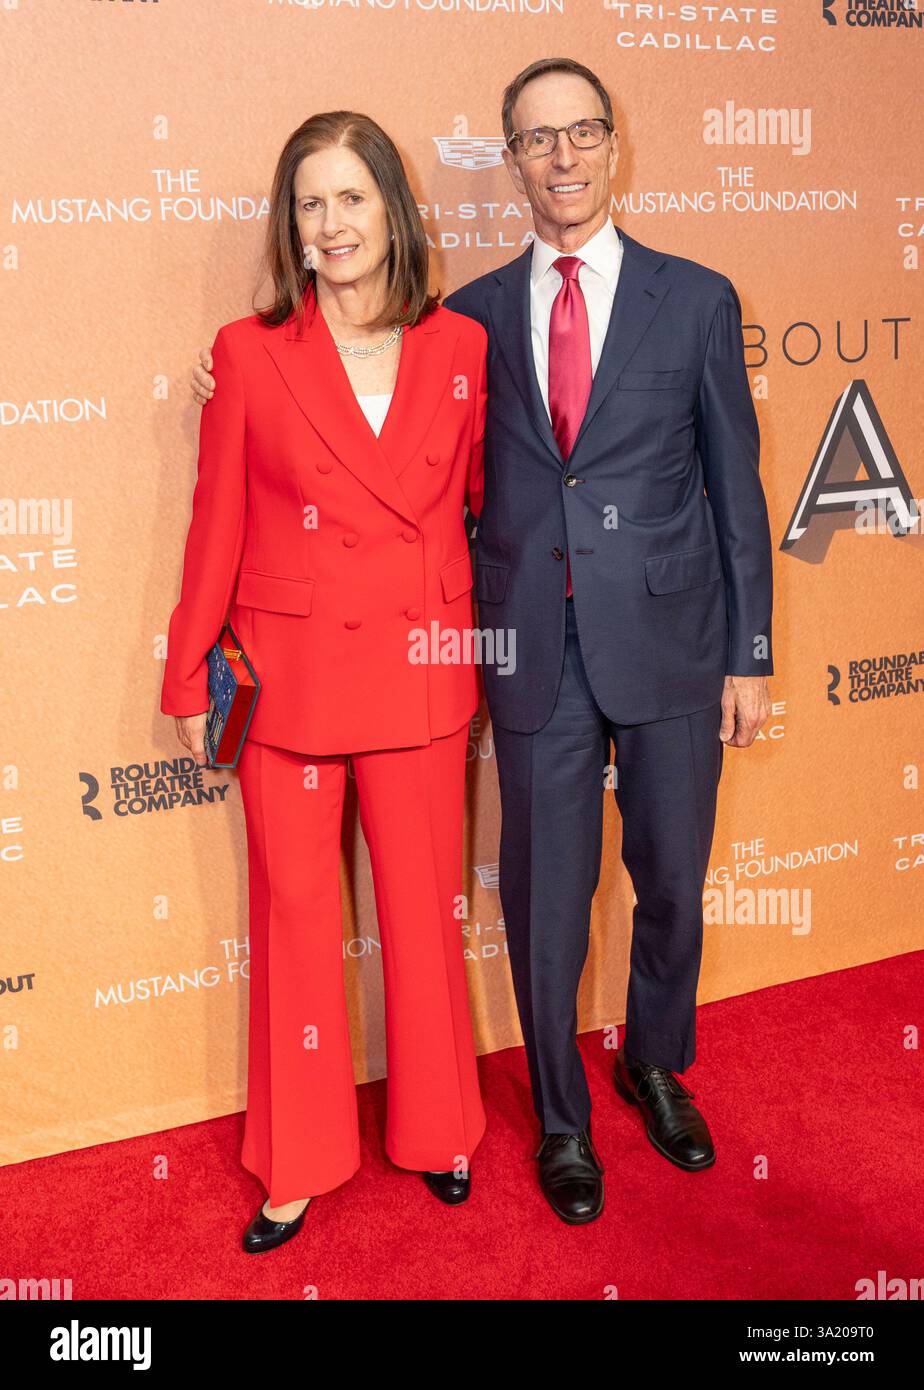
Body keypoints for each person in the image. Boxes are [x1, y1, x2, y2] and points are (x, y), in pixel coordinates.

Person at [191, 60, 775, 1227]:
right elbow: (400, 432)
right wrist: (235, 370)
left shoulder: (699, 298)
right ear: (510, 161)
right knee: (546, 897)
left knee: (671, 876)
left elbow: (736, 484)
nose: (562, 158)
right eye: (536, 139)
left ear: (612, 145)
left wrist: (748, 650)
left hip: (669, 638)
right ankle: (560, 1118)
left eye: (581, 133)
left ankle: (654, 1061)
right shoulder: (470, 322)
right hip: (527, 652)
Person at [164, 110, 488, 1254]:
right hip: (289, 682)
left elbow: (490, 503)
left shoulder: (463, 346)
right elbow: (215, 526)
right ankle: (296, 1162)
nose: (332, 223)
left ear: (392, 207)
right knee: (296, 923)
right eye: (310, 202)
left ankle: (441, 1129)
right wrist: (188, 676)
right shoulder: (247, 353)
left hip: (421, 673)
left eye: (352, 197)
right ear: (289, 223)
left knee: (424, 916)